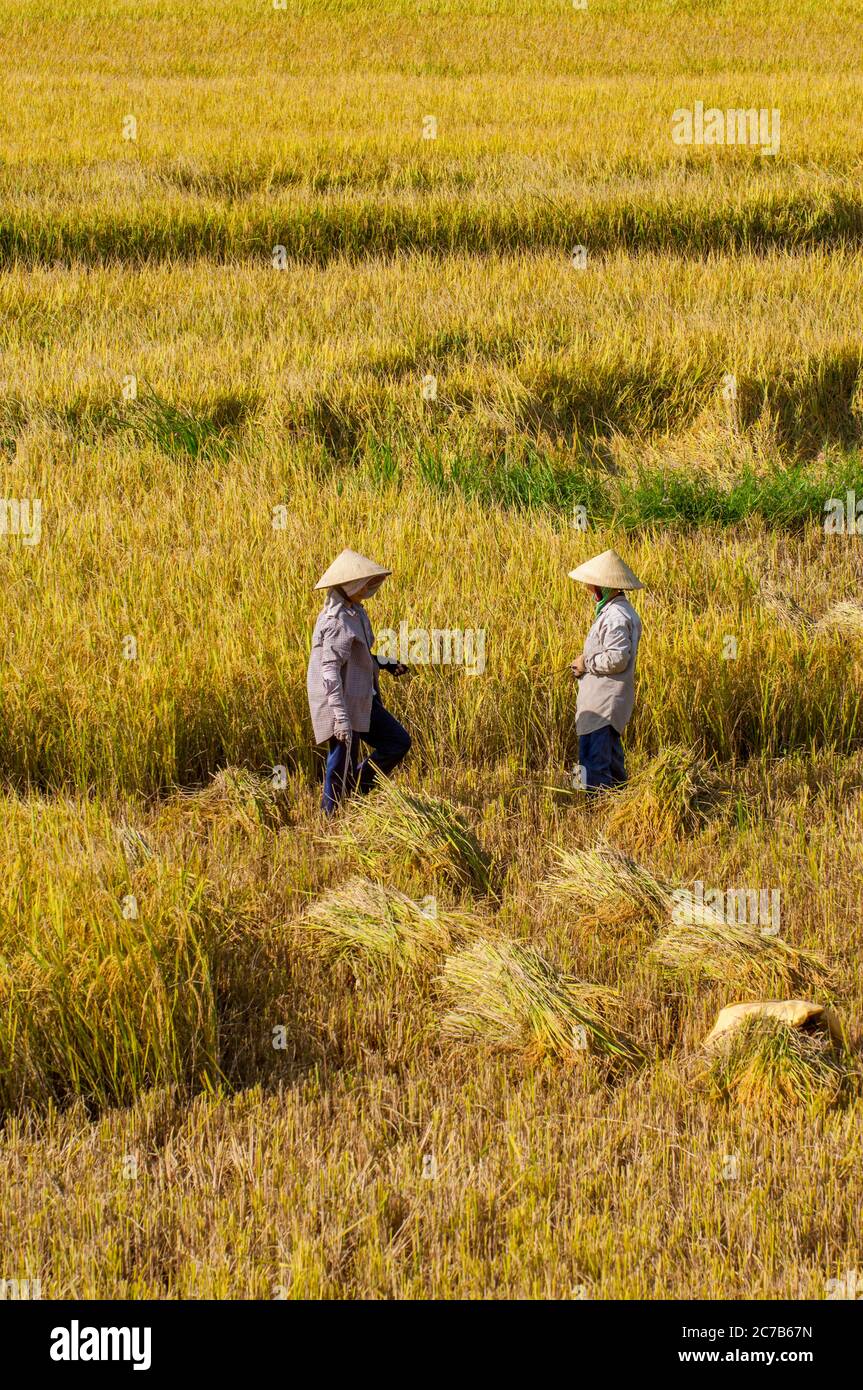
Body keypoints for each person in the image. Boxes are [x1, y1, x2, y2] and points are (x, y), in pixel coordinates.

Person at [307, 548, 411, 814]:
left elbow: (359, 657)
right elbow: (329, 671)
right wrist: (341, 717)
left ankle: (355, 791)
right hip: (339, 700)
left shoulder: (356, 613)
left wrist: (386, 664)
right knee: (340, 762)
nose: (369, 588)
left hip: (361, 696)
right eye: (364, 583)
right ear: (349, 584)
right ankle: (330, 817)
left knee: (398, 741)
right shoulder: (335, 622)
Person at [568, 548, 643, 791]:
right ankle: (617, 807)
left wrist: (586, 663)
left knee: (595, 762)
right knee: (607, 761)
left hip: (605, 701)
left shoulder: (616, 617)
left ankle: (597, 810)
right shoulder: (613, 613)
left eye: (592, 585)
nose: (589, 590)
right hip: (601, 700)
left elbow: (618, 658)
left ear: (604, 587)